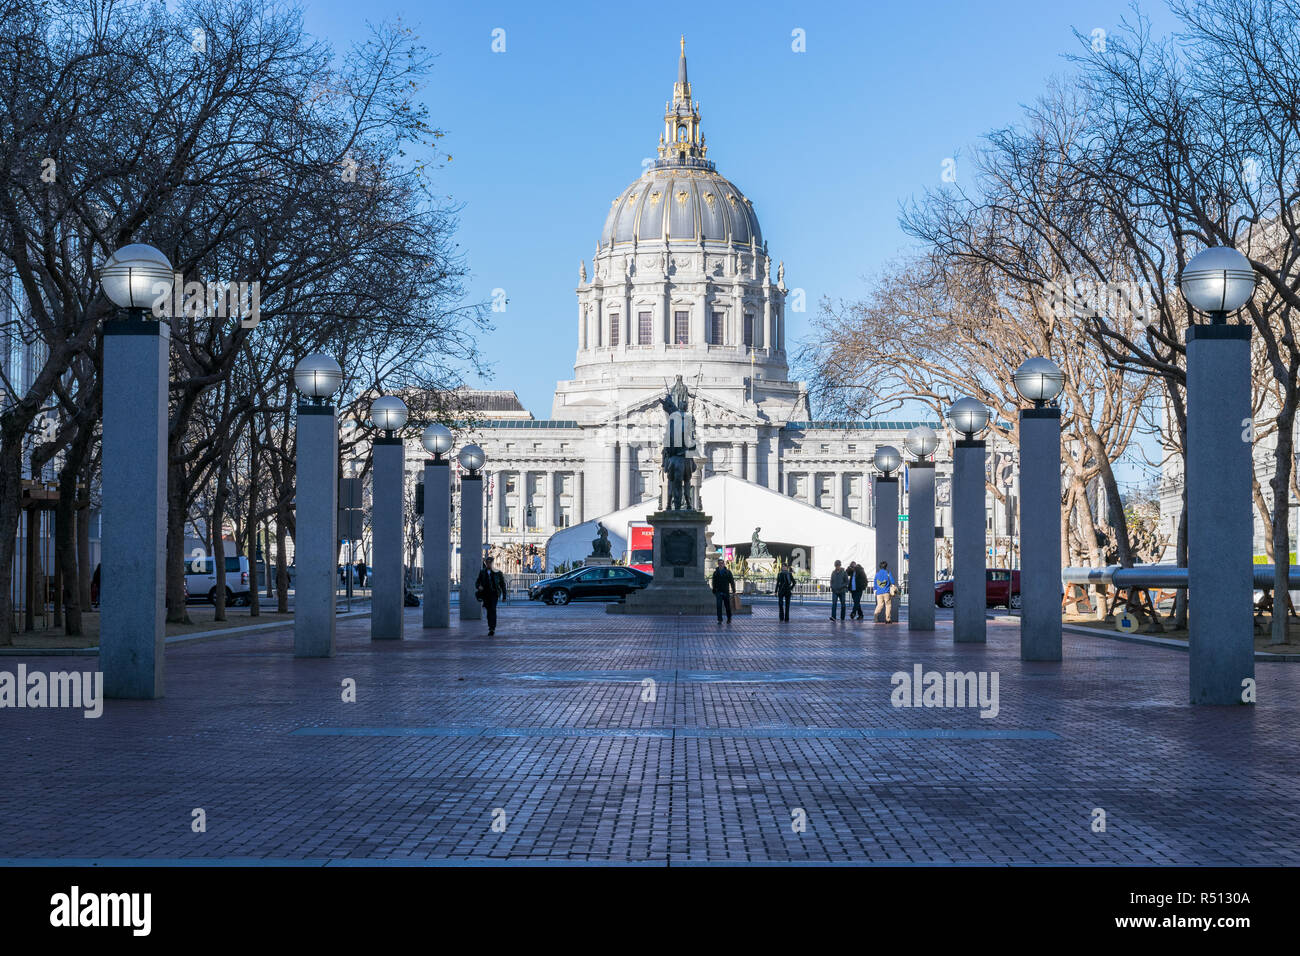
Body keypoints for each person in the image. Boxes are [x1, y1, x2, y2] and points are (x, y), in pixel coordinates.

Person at [475, 555, 507, 636]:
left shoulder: (498, 573)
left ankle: (492, 628)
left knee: (493, 609)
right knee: (489, 611)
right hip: (485, 594)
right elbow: (477, 582)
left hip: (494, 594)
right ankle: (490, 626)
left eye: (490, 563)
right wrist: (479, 586)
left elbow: (502, 584)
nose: (488, 564)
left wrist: (504, 596)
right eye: (487, 563)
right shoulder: (482, 572)